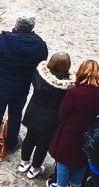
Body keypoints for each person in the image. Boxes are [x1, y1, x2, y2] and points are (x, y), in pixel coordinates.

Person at [0, 12, 49, 156]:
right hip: (22, 86)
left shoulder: (3, 40)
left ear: (17, 24)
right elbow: (43, 59)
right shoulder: (39, 45)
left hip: (2, 84)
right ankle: (11, 143)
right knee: (16, 114)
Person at [47, 61, 99, 187]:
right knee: (81, 159)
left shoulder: (75, 92)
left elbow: (62, 113)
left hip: (70, 130)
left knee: (63, 159)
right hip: (90, 129)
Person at [15, 51, 73, 179]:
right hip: (50, 118)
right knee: (43, 144)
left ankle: (24, 162)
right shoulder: (67, 87)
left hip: (34, 111)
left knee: (30, 137)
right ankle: (35, 168)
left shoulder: (39, 75)